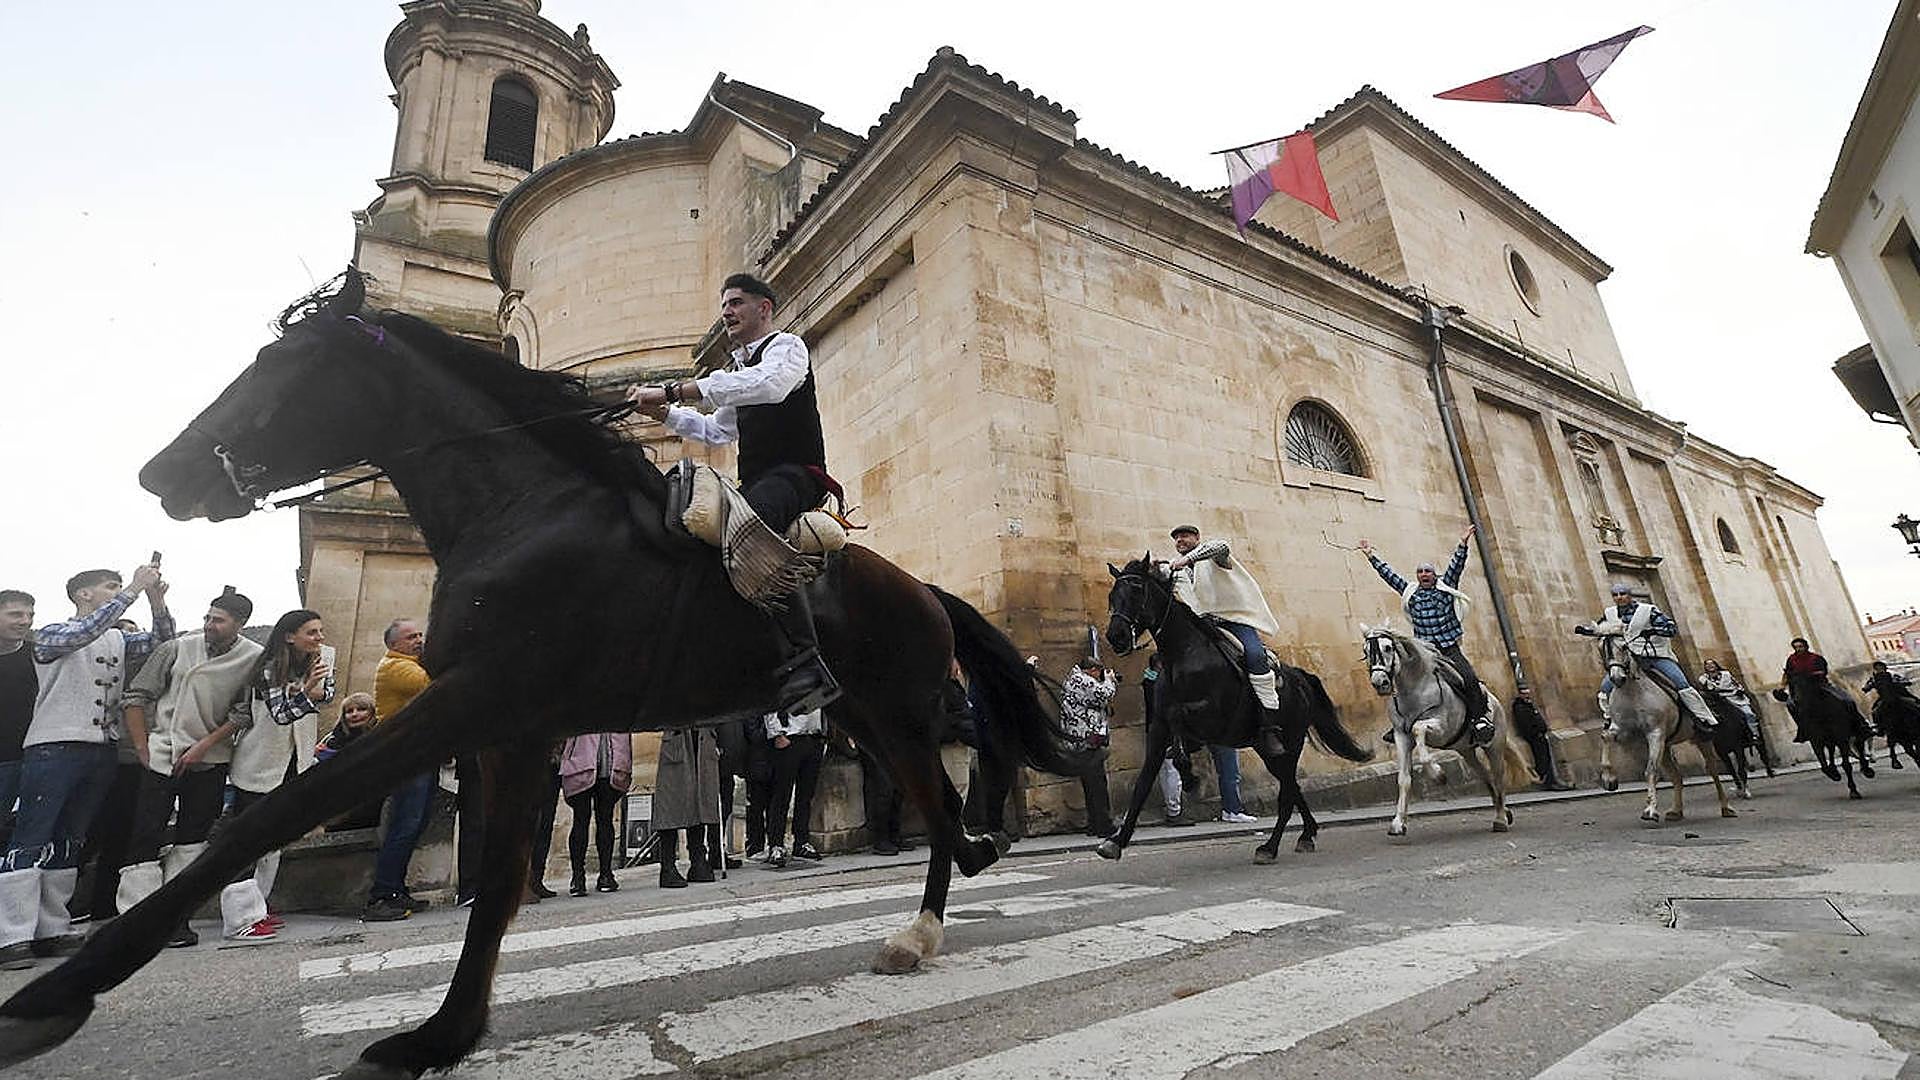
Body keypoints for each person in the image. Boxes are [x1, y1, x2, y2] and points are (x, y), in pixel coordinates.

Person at [630, 273, 839, 720]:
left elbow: (771, 386)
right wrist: (665, 412)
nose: (727, 311)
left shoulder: (786, 349)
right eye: (725, 304)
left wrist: (673, 390)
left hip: (798, 475)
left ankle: (806, 660)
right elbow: (715, 430)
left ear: (764, 308)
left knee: (751, 526)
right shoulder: (740, 374)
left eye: (737, 303)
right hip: (759, 481)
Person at [0, 565, 172, 970]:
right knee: (30, 837)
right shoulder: (49, 634)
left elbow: (163, 645)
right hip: (53, 744)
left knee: (69, 839)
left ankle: (52, 928)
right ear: (84, 595)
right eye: (108, 587)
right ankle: (13, 936)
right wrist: (132, 588)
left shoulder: (116, 635)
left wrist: (156, 601)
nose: (117, 592)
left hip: (99, 748)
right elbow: (84, 633)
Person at [118, 587, 258, 949]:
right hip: (163, 753)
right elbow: (137, 696)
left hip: (209, 760)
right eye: (208, 617)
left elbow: (241, 712)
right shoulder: (176, 648)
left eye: (219, 620)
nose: (210, 624)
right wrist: (143, 747)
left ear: (239, 624)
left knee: (192, 840)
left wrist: (204, 747)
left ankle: (176, 917)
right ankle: (136, 919)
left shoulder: (252, 657)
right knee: (146, 836)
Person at [219, 609, 334, 942]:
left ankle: (258, 909)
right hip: (260, 764)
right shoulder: (269, 669)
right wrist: (306, 692)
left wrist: (314, 688)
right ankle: (239, 919)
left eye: (320, 631)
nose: (319, 638)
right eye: (311, 632)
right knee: (248, 840)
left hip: (295, 763)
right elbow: (282, 714)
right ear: (289, 636)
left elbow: (326, 696)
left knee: (274, 840)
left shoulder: (321, 660)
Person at [1359, 526, 1493, 744]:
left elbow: (1456, 567)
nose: (1424, 575)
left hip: (1448, 649)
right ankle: (1401, 724)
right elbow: (1389, 576)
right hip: (1425, 652)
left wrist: (1462, 544)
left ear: (1434, 575)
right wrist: (1371, 556)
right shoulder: (1411, 592)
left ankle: (1479, 720)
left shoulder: (1445, 587)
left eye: (1427, 572)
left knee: (1468, 678)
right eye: (1420, 572)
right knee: (1400, 677)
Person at [1164, 526, 1282, 715]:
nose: (1179, 540)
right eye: (1176, 538)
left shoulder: (1215, 557)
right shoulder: (1176, 569)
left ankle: (1269, 708)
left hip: (1233, 621)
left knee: (1255, 654)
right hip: (1203, 625)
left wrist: (1187, 559)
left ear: (1197, 537)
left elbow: (1221, 546)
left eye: (1184, 536)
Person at [1578, 585, 1719, 736]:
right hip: (1628, 659)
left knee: (1681, 683)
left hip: (1655, 656)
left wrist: (1655, 630)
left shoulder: (1648, 610)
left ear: (1629, 595)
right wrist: (1586, 631)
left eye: (1622, 594)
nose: (1619, 597)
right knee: (1605, 689)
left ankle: (1702, 719)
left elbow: (1670, 628)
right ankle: (1610, 720)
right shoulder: (1610, 613)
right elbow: (1601, 628)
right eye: (1615, 595)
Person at [365, 618, 434, 922]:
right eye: (410, 637)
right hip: (407, 755)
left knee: (414, 823)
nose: (418, 640)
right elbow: (433, 685)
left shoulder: (408, 664)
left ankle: (395, 889)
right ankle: (383, 894)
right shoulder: (398, 667)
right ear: (394, 645)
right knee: (406, 824)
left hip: (419, 753)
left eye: (420, 635)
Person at [560, 731, 632, 895]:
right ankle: (578, 876)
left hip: (610, 757)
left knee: (604, 818)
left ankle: (605, 874)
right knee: (581, 818)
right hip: (582, 756)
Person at [651, 727, 721, 886]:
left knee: (701, 802)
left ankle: (698, 859)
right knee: (670, 806)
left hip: (702, 738)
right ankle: (668, 866)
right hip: (677, 737)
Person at [1060, 658, 1116, 838]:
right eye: (1099, 672)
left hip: (1079, 739)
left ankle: (1094, 823)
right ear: (1093, 670)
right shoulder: (1082, 680)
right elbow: (1105, 694)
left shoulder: (1073, 679)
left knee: (1090, 784)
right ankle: (1103, 825)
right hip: (1088, 740)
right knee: (1097, 784)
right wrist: (1109, 679)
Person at [763, 708, 827, 867]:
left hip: (813, 736)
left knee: (805, 796)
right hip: (790, 737)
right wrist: (777, 733)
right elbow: (771, 706)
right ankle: (776, 844)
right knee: (781, 795)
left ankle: (801, 841)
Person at [1700, 658, 1775, 776]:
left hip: (1734, 698)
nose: (1710, 666)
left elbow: (1737, 685)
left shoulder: (1726, 675)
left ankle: (1754, 734)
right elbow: (1705, 690)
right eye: (1707, 665)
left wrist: (1739, 690)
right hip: (1720, 701)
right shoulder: (1704, 679)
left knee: (1749, 714)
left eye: (1712, 664)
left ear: (1716, 665)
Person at [0, 592, 35, 834]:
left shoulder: (39, 655)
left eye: (30, 615)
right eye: (15, 614)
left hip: (19, 758)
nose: (24, 621)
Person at [1508, 687, 1572, 791]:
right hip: (1535, 738)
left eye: (1528, 693)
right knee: (1542, 761)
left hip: (1541, 736)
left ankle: (1554, 780)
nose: (1527, 695)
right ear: (1520, 695)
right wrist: (1536, 733)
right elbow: (1525, 724)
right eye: (1525, 694)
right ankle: (1549, 782)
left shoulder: (1528, 704)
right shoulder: (1520, 707)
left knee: (1547, 759)